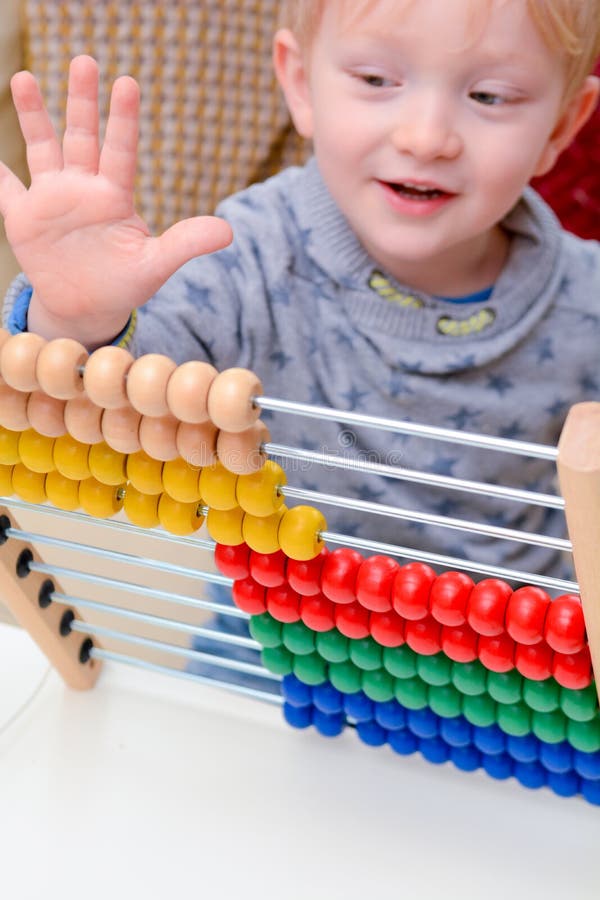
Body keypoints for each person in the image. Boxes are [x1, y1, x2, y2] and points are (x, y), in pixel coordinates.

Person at [1, 0, 599, 592]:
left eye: (488, 96)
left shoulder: (589, 301)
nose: (427, 138)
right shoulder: (251, 256)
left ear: (562, 126)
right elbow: (112, 407)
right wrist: (80, 320)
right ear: (301, 84)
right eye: (374, 79)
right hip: (276, 640)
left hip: (517, 662)